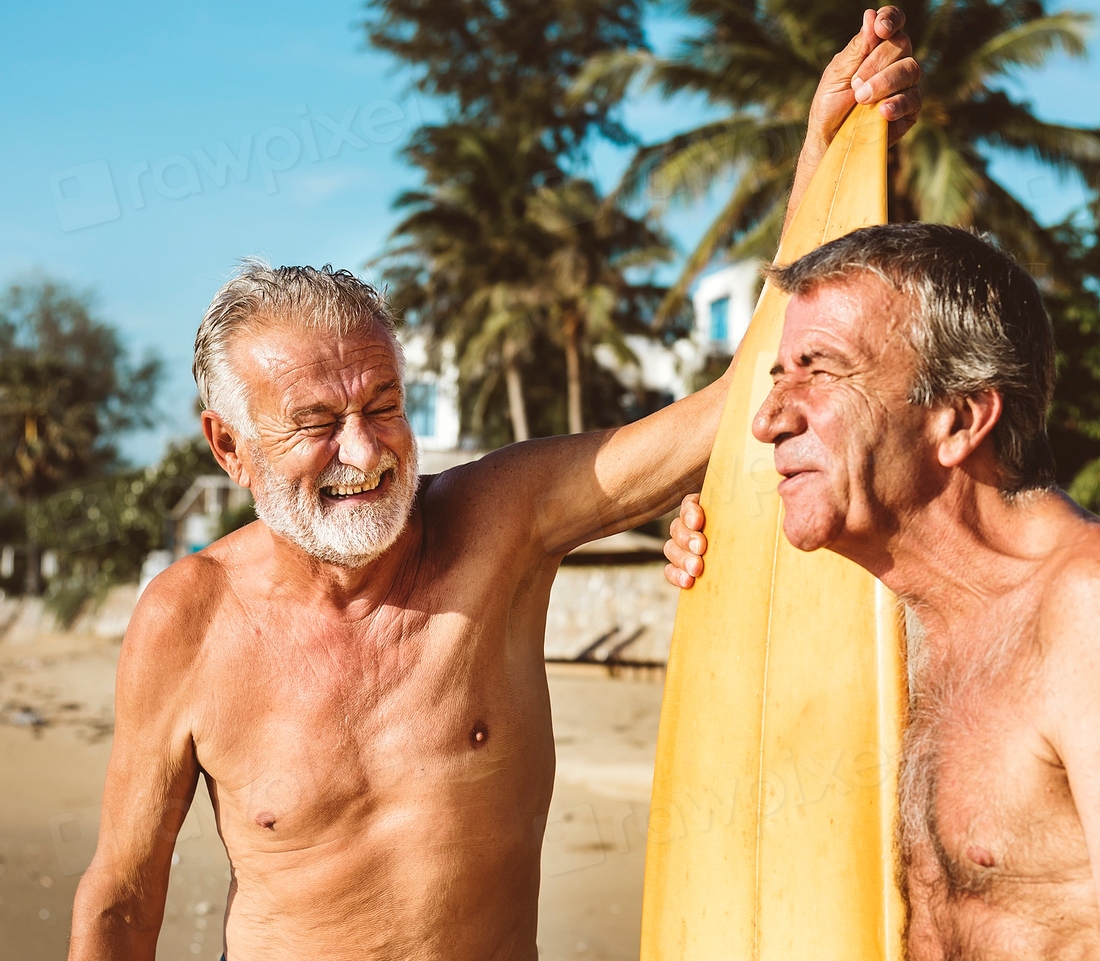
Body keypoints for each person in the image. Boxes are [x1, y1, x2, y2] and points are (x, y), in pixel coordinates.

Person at [68, 12, 921, 960]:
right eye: (315, 423)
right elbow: (120, 900)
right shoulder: (186, 621)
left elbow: (734, 402)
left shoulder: (504, 521)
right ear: (228, 446)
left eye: (384, 404)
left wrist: (822, 153)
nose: (365, 451)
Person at [662, 222, 1100, 958]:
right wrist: (724, 549)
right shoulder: (892, 618)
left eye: (820, 371)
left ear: (958, 418)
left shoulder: (1083, 615)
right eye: (777, 377)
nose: (769, 420)